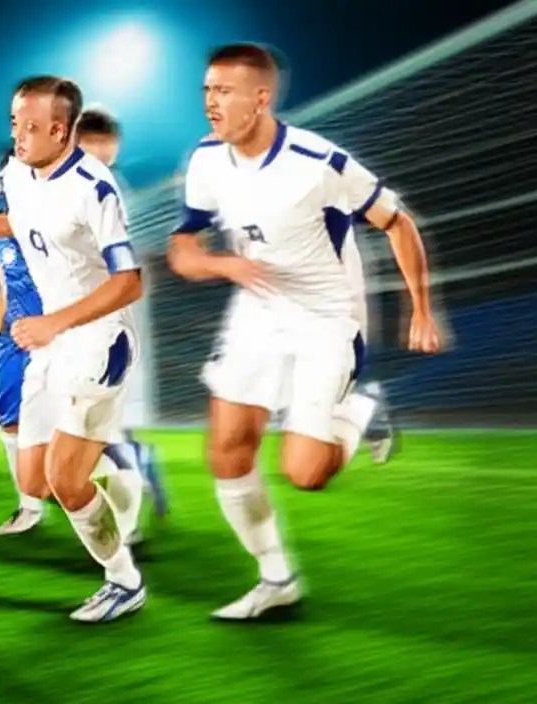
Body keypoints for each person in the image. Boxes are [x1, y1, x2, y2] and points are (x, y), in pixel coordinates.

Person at [166, 43, 441, 619]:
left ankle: (362, 408)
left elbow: (397, 222)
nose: (211, 102)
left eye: (224, 91)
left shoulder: (321, 164)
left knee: (306, 474)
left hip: (326, 316)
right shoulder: (206, 159)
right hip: (257, 309)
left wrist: (421, 309)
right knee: (227, 451)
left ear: (261, 98)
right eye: (207, 90)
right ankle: (277, 578)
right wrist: (221, 264)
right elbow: (183, 248)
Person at [0, 75, 147, 623]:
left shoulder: (94, 188)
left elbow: (129, 282)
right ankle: (114, 462)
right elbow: (17, 220)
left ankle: (124, 581)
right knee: (34, 482)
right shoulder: (16, 171)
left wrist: (54, 322)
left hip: (99, 339)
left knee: (64, 478)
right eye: (14, 124)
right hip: (51, 342)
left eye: (30, 127)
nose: (18, 136)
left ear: (60, 130)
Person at [74, 108, 169, 529]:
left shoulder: (102, 189)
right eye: (89, 142)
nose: (97, 150)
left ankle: (127, 530)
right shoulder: (83, 185)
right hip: (95, 314)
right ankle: (139, 463)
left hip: (106, 317)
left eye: (103, 143)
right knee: (98, 422)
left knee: (95, 424)